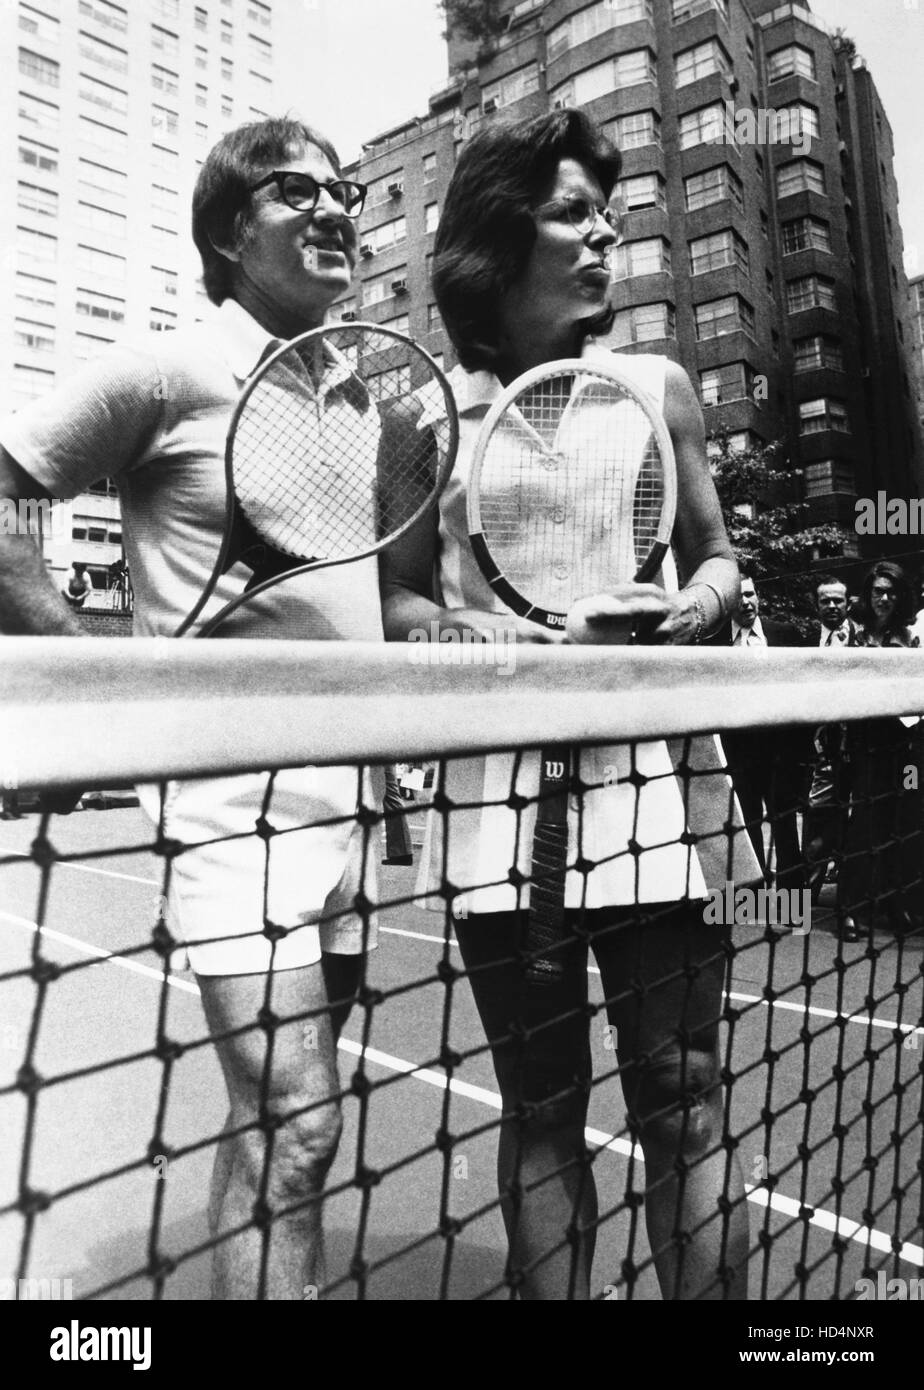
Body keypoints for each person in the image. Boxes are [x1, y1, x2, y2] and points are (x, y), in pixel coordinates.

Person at [381, 110, 760, 1300]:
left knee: (684, 1089)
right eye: (571, 213)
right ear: (501, 240)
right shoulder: (422, 419)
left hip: (656, 783)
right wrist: (465, 632)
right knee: (542, 1107)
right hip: (501, 808)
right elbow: (395, 608)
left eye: (606, 210)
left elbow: (717, 560)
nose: (606, 233)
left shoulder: (657, 389)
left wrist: (684, 614)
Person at [0, 118, 381, 1299]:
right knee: (303, 1128)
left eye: (344, 189)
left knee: (268, 1127)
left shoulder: (362, 390)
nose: (333, 209)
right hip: (232, 807)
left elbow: (366, 602)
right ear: (227, 232)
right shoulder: (163, 371)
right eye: (293, 190)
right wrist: (94, 667)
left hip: (355, 799)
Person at [707, 575, 812, 892]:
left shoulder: (786, 635)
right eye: (739, 597)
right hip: (738, 752)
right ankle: (751, 894)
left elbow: (805, 688)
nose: (746, 602)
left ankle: (792, 899)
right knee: (746, 822)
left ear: (759, 597)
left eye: (750, 594)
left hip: (782, 752)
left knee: (785, 826)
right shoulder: (714, 644)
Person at [839, 562, 922, 938]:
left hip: (905, 746)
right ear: (868, 595)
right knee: (865, 824)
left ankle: (893, 902)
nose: (885, 598)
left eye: (891, 592)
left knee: (900, 821)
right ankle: (849, 910)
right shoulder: (851, 637)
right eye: (878, 592)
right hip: (865, 744)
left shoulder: (910, 638)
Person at [800, 577, 858, 939]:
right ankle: (804, 906)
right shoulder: (803, 643)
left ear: (848, 603)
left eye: (838, 600)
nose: (833, 606)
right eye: (826, 601)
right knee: (817, 834)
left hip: (860, 754)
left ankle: (848, 913)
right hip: (820, 760)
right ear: (816, 605)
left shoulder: (865, 640)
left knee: (853, 835)